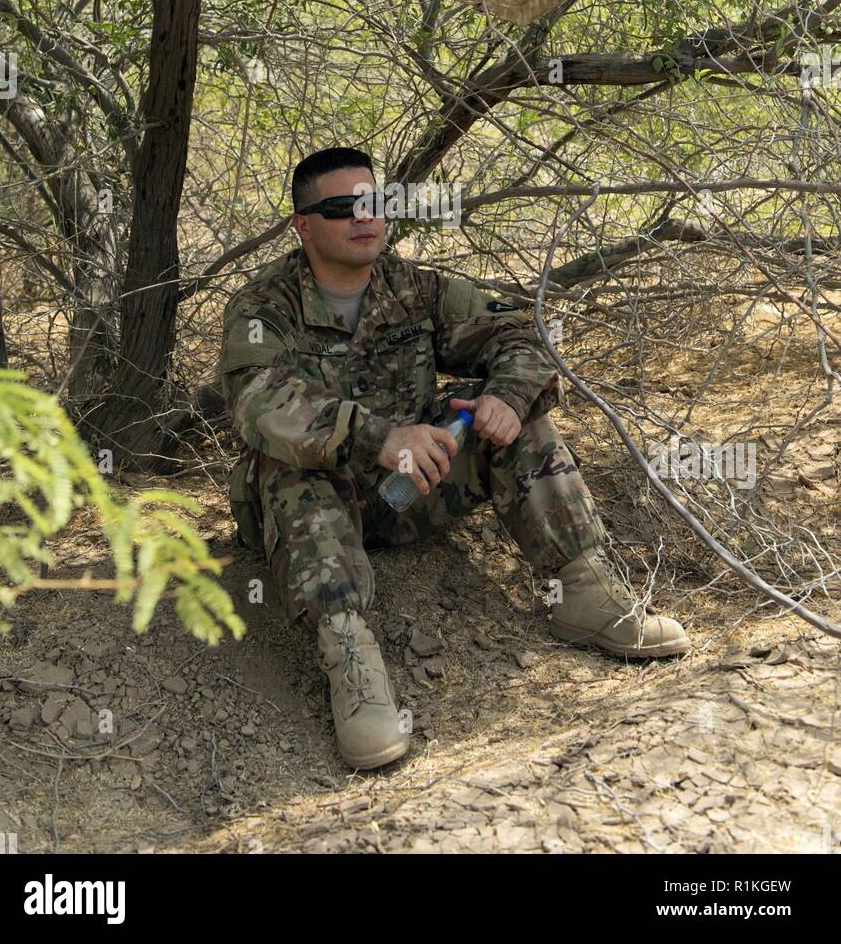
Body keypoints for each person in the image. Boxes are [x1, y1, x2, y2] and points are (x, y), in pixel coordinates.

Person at [220, 147, 689, 770]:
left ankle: (582, 593)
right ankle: (352, 663)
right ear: (304, 225)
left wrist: (507, 395)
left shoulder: (417, 288)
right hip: (315, 508)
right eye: (341, 208)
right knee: (289, 465)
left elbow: (520, 334)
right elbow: (259, 402)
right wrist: (378, 437)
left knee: (520, 422)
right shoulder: (263, 309)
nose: (364, 218)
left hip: (412, 493)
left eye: (375, 203)